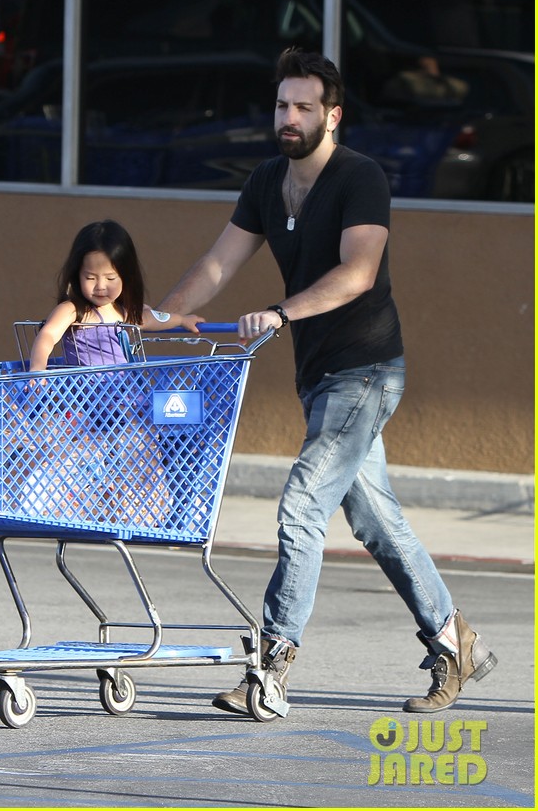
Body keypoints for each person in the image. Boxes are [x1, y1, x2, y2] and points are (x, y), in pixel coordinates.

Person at [157, 48, 497, 716]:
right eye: (282, 105)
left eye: (304, 107)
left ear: (332, 115)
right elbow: (218, 264)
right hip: (319, 376)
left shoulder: (358, 177)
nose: (289, 117)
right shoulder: (267, 181)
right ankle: (456, 643)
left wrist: (281, 312)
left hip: (366, 370)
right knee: (377, 521)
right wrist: (159, 317)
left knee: (303, 507)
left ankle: (271, 664)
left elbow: (358, 272)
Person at [30, 219, 201, 371]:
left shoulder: (123, 311)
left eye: (110, 278)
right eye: (90, 278)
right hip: (85, 393)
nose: (100, 286)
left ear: (126, 277)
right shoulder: (72, 310)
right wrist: (37, 369)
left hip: (122, 391)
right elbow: (48, 335)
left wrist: (181, 320)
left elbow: (152, 319)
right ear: (77, 275)